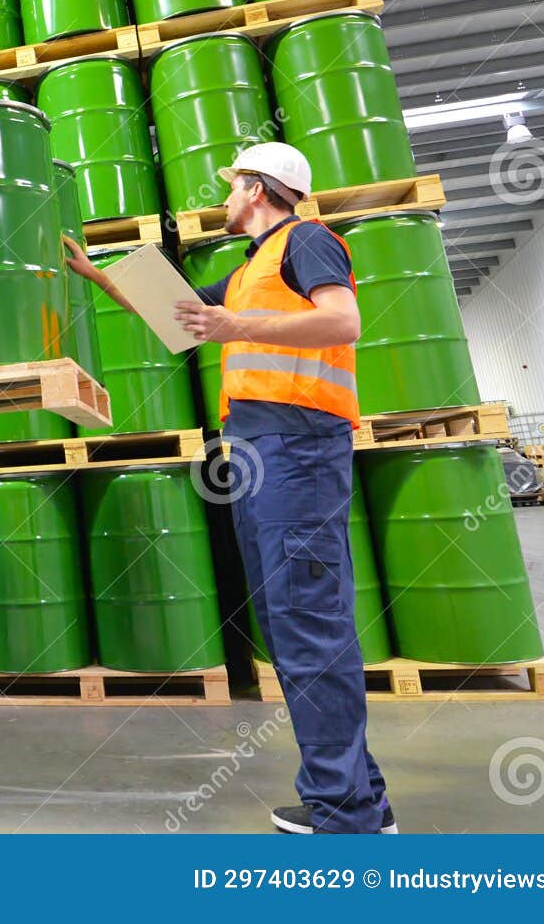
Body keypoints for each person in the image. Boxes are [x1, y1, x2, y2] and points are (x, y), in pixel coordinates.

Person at [65, 141, 393, 836]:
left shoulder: (307, 241)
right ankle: (352, 797)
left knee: (309, 622)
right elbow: (181, 313)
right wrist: (97, 276)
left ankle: (348, 815)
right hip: (261, 452)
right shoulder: (248, 271)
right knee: (288, 623)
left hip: (299, 446)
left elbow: (343, 321)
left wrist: (235, 325)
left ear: (258, 189)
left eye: (232, 185)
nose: (224, 198)